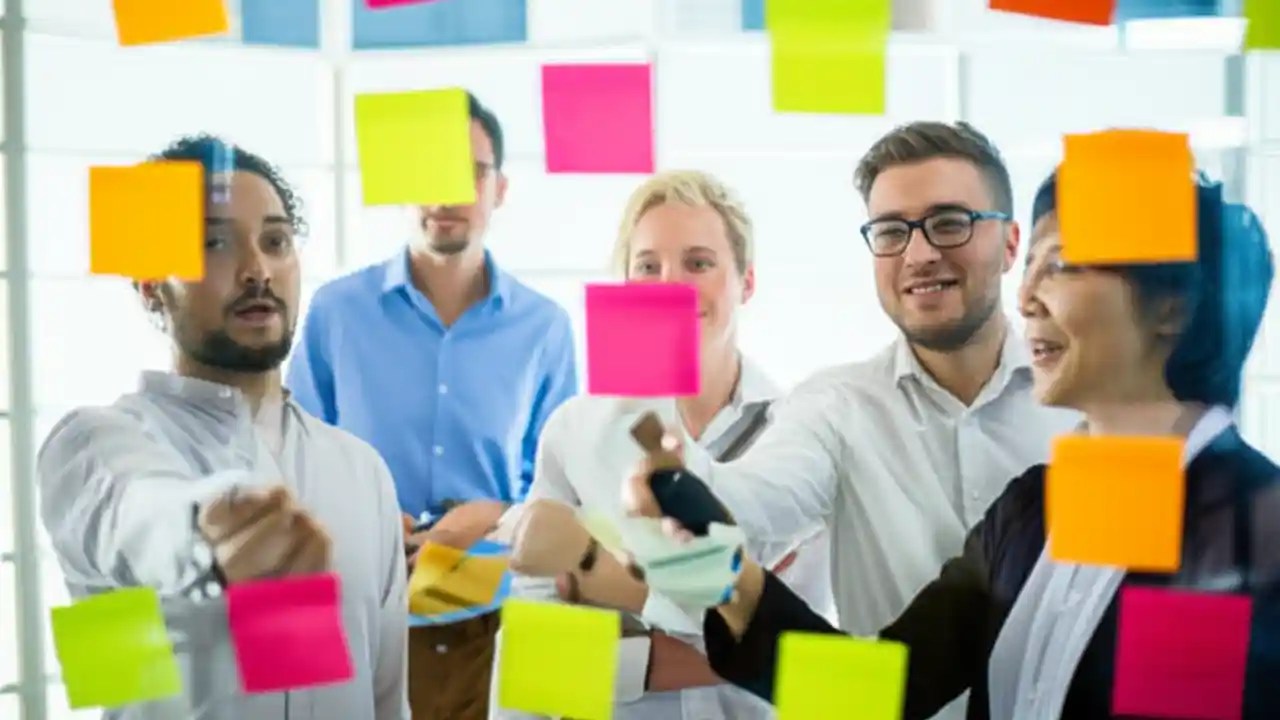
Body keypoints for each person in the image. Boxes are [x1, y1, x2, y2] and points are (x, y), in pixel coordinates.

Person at [634, 171, 1280, 719]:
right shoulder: (1032, 511)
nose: (1026, 299)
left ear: (1172, 304)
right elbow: (877, 689)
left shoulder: (1257, 533)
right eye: (1032, 270)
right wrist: (729, 580)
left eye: (1061, 266)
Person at [617, 122, 1078, 718]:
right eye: (891, 231)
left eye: (949, 223)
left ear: (1011, 243)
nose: (918, 254)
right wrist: (680, 496)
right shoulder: (834, 406)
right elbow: (754, 500)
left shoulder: (1083, 415)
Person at [38, 135, 408, 719]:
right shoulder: (93, 445)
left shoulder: (362, 471)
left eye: (276, 241)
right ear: (151, 284)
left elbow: (387, 699)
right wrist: (208, 532)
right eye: (213, 242)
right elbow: (138, 515)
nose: (257, 269)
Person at [490, 171, 834, 719]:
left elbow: (808, 655)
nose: (671, 286)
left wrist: (613, 588)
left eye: (699, 263)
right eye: (648, 266)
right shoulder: (575, 433)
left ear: (745, 281)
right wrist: (737, 627)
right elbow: (535, 656)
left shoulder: (803, 436)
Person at [287, 92, 578, 719]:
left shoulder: (545, 328)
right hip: (364, 611)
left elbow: (562, 487)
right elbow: (294, 458)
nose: (446, 194)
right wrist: (364, 513)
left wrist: (496, 515)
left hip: (494, 622)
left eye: (469, 172)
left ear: (500, 187)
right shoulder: (336, 312)